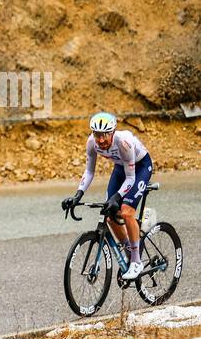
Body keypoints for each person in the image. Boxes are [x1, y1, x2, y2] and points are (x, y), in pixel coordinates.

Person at [61, 112, 152, 280]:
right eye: (97, 134)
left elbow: (131, 178)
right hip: (120, 168)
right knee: (110, 216)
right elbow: (89, 172)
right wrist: (77, 195)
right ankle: (130, 251)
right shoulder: (91, 143)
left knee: (126, 212)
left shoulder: (123, 142)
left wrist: (117, 197)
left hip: (139, 168)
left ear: (113, 132)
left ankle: (137, 261)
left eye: (105, 135)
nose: (101, 140)